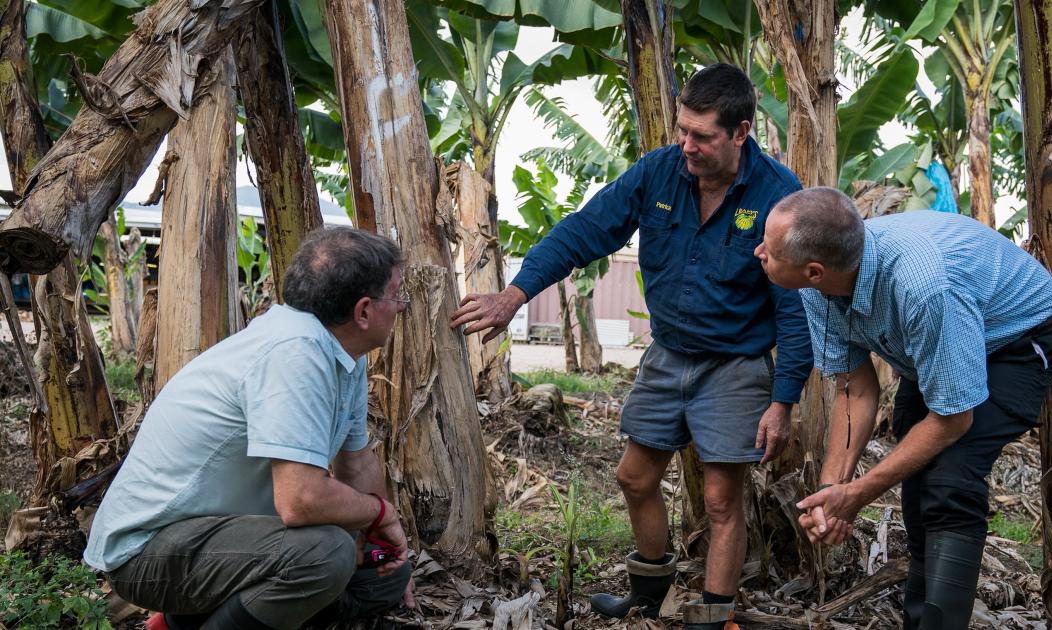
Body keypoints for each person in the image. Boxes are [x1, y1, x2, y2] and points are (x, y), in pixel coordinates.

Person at [450, 63, 813, 629]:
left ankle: (712, 619)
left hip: (737, 363)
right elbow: (584, 229)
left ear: (741, 132)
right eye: (681, 130)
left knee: (721, 498)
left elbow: (796, 310)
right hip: (668, 353)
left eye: (702, 136)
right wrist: (515, 295)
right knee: (634, 477)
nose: (686, 146)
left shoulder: (779, 195)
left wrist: (782, 400)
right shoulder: (660, 172)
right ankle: (650, 595)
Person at [755, 187, 1052, 630]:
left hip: (1014, 341)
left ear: (813, 270)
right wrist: (832, 494)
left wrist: (859, 495)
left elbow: (952, 419)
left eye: (769, 250)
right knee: (918, 480)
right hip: (934, 344)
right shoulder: (815, 287)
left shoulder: (922, 286)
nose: (758, 253)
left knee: (950, 478)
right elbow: (855, 391)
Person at [84, 227, 416, 630]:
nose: (401, 306)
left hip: (218, 536)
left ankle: (185, 621)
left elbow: (357, 463)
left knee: (385, 576)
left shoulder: (342, 352)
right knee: (325, 555)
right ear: (363, 312)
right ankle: (191, 621)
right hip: (148, 550)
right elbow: (301, 500)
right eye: (397, 294)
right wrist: (380, 511)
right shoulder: (296, 353)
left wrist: (380, 534)